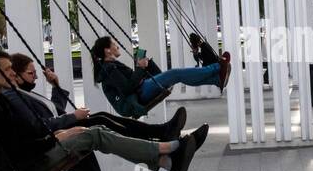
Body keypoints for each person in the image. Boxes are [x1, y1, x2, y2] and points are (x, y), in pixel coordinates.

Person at [0, 53, 202, 171]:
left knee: (99, 124)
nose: (13, 74)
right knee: (97, 128)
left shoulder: (4, 99)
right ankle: (167, 144)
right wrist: (57, 134)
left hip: (41, 147)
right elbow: (20, 141)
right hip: (30, 162)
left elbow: (36, 124)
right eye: (9, 70)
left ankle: (167, 158)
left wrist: (55, 88)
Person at [7, 53, 191, 144]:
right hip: (54, 137)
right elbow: (46, 123)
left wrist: (55, 85)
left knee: (102, 117)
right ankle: (160, 133)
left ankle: (160, 132)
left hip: (60, 128)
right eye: (31, 73)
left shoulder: (26, 94)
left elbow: (56, 111)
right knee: (102, 119)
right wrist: (74, 117)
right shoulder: (18, 97)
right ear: (16, 75)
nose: (36, 77)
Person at [92, 36, 230, 113]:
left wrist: (146, 65)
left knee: (176, 76)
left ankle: (217, 79)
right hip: (140, 94)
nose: (117, 46)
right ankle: (217, 66)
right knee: (175, 73)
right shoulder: (108, 69)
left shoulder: (112, 66)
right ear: (107, 51)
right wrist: (140, 68)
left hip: (142, 89)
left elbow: (131, 82)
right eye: (114, 44)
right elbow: (127, 88)